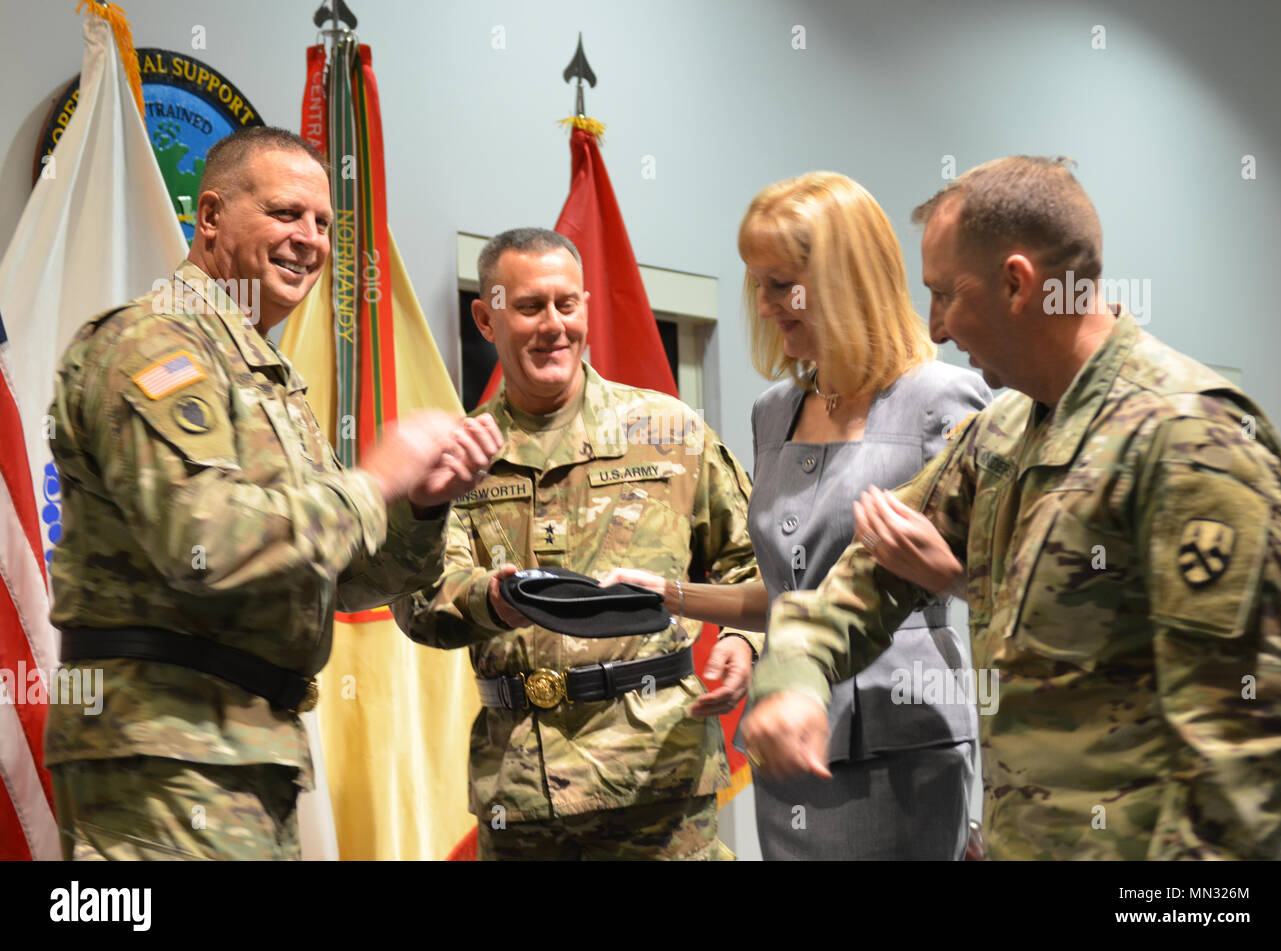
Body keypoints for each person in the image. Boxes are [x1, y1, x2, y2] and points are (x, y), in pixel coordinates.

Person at [742, 155, 1281, 860]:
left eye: (945, 295)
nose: (936, 327)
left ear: (1017, 283)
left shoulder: (1190, 439)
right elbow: (856, 584)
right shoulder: (1002, 434)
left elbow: (1240, 751)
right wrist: (794, 677)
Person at [44, 127, 503, 860]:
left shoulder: (262, 377)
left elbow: (338, 578)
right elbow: (207, 547)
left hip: (249, 752)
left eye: (323, 223)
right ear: (213, 217)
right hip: (162, 756)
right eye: (287, 214)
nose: (310, 239)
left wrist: (418, 505)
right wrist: (374, 477)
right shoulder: (154, 343)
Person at [605, 172, 991, 859]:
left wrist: (950, 571)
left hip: (901, 749)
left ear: (845, 281)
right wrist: (671, 594)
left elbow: (1000, 572)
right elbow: (791, 598)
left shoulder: (940, 400)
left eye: (783, 284)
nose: (766, 303)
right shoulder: (773, 411)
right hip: (788, 735)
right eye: (758, 282)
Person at [392, 227, 760, 860]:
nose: (553, 327)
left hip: (656, 782)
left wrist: (741, 641)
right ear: (487, 317)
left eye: (568, 304)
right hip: (522, 794)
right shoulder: (459, 455)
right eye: (530, 307)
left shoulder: (668, 431)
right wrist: (494, 600)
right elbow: (421, 605)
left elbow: (752, 563)